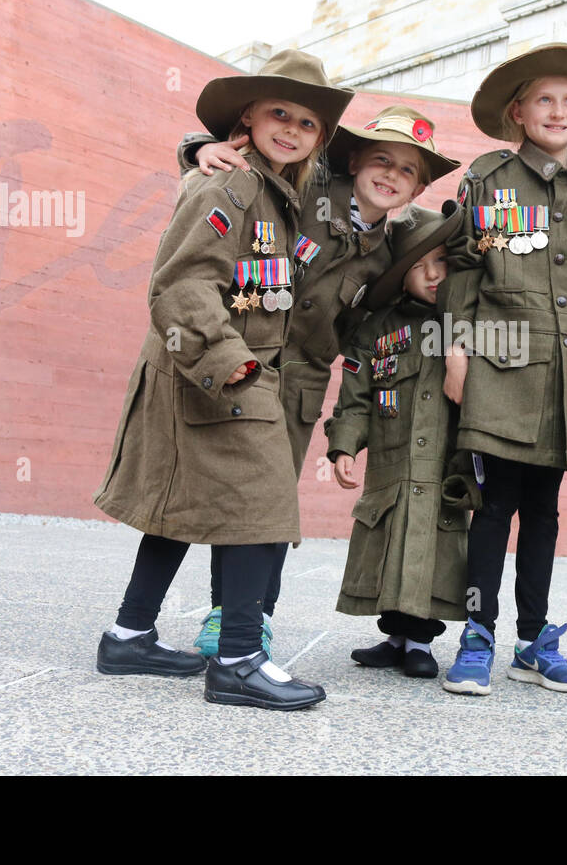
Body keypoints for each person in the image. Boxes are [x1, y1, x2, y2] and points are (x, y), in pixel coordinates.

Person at [92, 50, 353, 710]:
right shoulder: (231, 185)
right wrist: (230, 364)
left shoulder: (274, 191)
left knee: (180, 506)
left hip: (211, 367)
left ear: (321, 138)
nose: (292, 128)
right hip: (216, 368)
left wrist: (195, 147)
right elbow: (180, 283)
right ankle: (238, 660)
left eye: (308, 122)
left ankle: (128, 635)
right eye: (279, 113)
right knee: (263, 506)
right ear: (249, 118)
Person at [180, 107, 459, 657]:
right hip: (243, 360)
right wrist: (196, 149)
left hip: (299, 385)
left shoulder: (391, 245)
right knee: (230, 496)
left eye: (407, 171)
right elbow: (250, 168)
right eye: (381, 159)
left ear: (419, 186)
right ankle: (218, 611)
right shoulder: (311, 188)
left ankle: (253, 616)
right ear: (353, 158)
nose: (390, 176)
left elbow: (448, 255)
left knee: (274, 503)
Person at [438, 43, 567, 695]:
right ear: (518, 111)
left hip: (565, 381)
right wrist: (456, 348)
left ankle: (531, 639)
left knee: (543, 515)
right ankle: (476, 635)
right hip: (498, 372)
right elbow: (463, 270)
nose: (558, 110)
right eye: (544, 99)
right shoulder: (488, 180)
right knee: (492, 510)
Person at [324, 203, 480, 678]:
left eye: (442, 262)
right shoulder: (378, 329)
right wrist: (344, 444)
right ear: (400, 275)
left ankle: (420, 643)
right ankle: (395, 637)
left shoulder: (467, 328)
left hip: (443, 469)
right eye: (419, 266)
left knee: (432, 551)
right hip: (392, 466)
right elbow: (355, 397)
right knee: (388, 549)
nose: (434, 275)